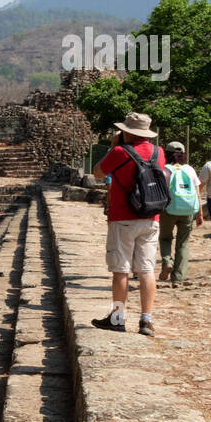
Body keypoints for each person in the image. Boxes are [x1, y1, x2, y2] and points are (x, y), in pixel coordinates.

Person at [91, 111, 165, 337]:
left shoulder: (120, 151)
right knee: (146, 269)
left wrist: (114, 146)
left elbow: (97, 173)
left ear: (126, 132)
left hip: (123, 217)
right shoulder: (158, 151)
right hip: (151, 218)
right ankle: (146, 320)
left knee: (121, 270)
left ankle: (118, 317)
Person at [158, 141, 203, 286]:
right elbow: (197, 192)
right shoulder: (189, 170)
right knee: (183, 243)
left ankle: (167, 261)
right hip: (188, 210)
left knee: (165, 238)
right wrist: (199, 213)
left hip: (168, 209)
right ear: (183, 154)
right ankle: (178, 279)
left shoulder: (164, 169)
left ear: (167, 153)